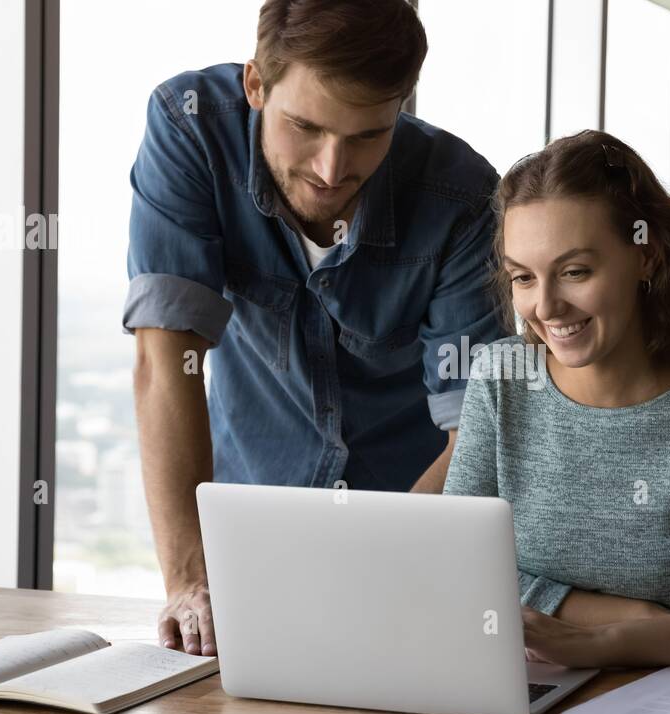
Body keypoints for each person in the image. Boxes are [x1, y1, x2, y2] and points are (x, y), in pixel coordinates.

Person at [125, 0, 505, 656]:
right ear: (255, 85)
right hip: (245, 553)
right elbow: (166, 362)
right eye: (305, 126)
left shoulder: (463, 197)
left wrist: (372, 579)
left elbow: (475, 429)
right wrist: (188, 582)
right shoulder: (190, 130)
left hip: (410, 555)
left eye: (367, 135)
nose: (333, 170)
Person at [443, 131, 670, 667]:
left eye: (575, 272)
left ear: (647, 256)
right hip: (516, 684)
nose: (545, 306)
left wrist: (605, 644)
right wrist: (630, 615)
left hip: (665, 692)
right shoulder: (501, 377)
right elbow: (459, 564)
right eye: (523, 277)